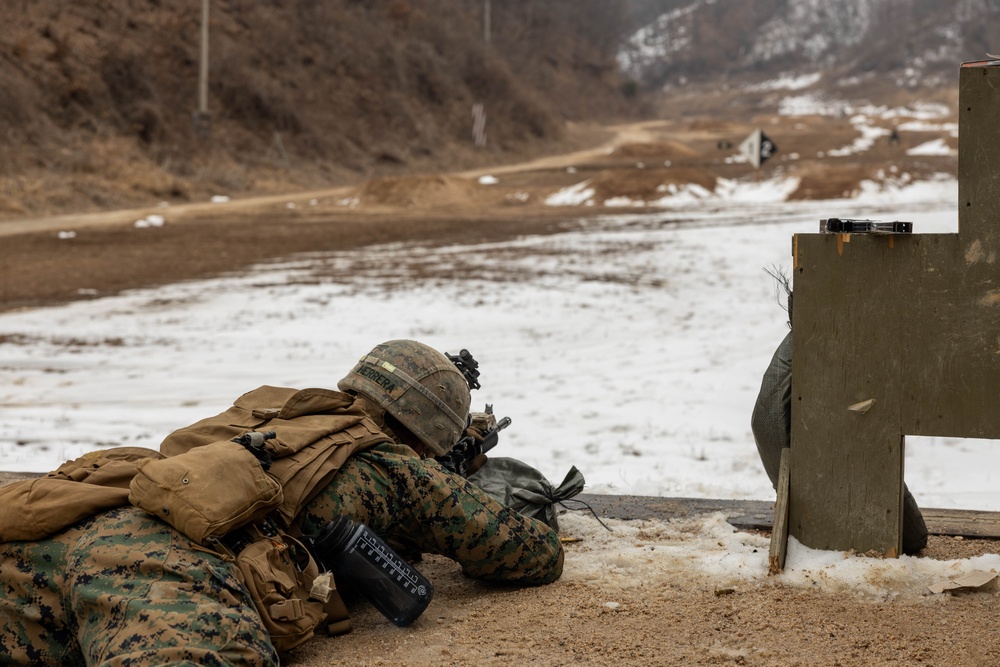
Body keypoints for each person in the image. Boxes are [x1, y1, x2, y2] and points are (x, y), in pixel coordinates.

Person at [0, 339, 564, 666]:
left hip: (75, 522)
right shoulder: (397, 466)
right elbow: (529, 555)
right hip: (167, 569)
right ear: (424, 438)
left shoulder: (276, 410)